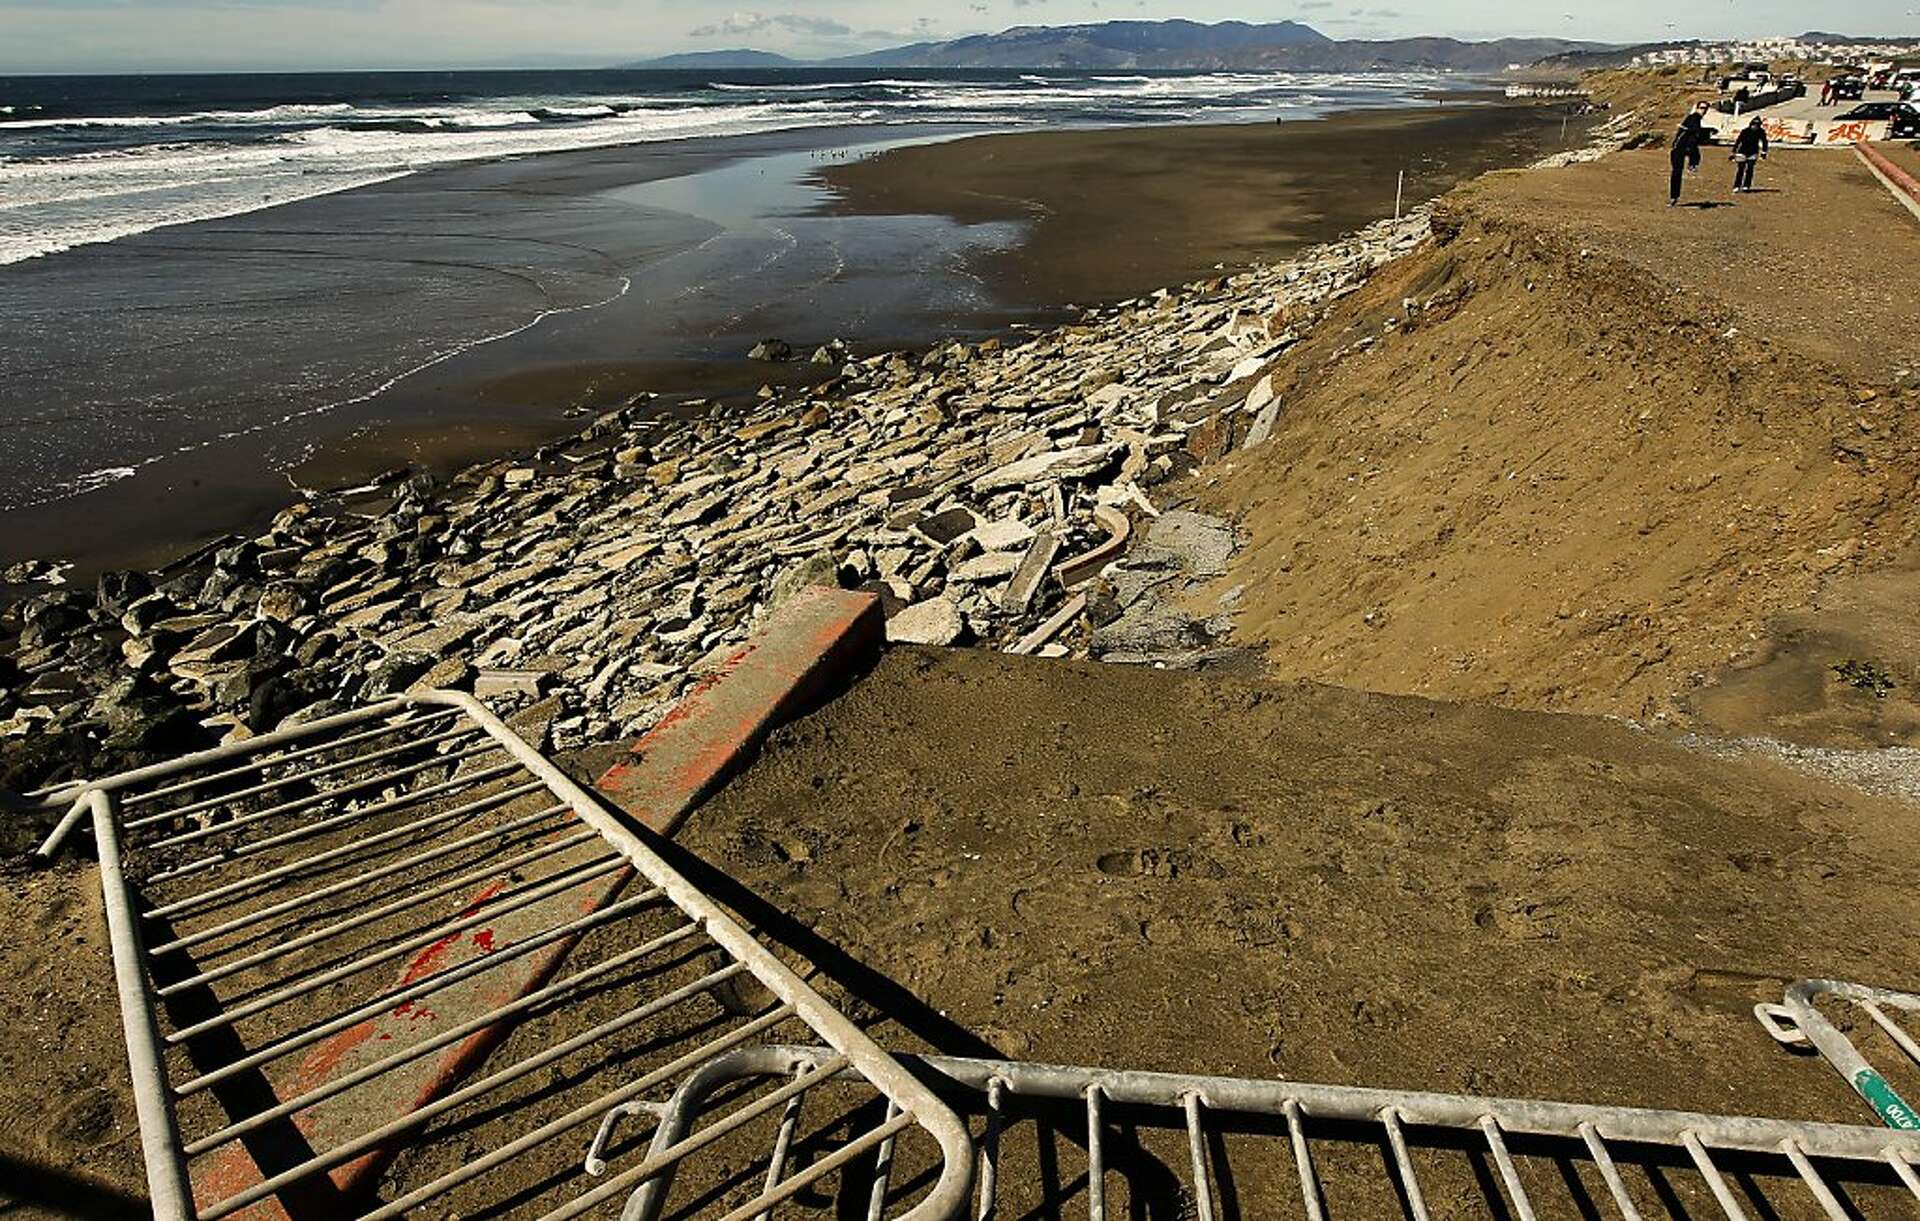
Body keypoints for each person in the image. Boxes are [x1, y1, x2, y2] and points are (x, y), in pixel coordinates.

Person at [1669, 101, 1711, 207]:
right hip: (1679, 148)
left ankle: (1674, 197)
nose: (1703, 111)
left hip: (1687, 147)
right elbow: (1695, 131)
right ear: (1697, 108)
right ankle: (1674, 197)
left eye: (1705, 109)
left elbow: (1695, 134)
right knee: (1677, 172)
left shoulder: (1696, 119)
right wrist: (1707, 132)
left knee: (1678, 171)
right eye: (1702, 108)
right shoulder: (1694, 118)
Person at [1730, 116, 1769, 192]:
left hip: (1753, 152)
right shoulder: (1745, 131)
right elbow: (1738, 141)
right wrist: (1733, 152)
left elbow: (1764, 142)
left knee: (1750, 169)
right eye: (1754, 125)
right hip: (1742, 152)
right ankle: (1737, 185)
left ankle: (1746, 185)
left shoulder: (1761, 132)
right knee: (1740, 169)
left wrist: (1764, 152)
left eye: (1757, 125)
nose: (1755, 127)